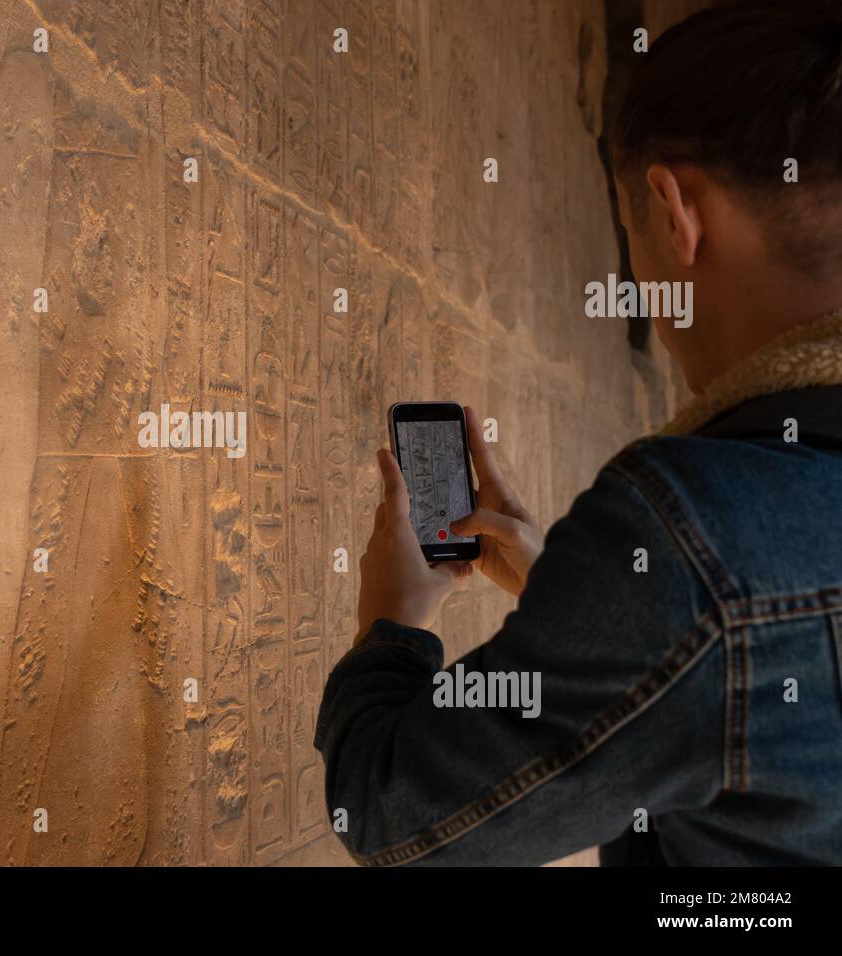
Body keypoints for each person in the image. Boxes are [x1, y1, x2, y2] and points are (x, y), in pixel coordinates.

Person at [315, 0, 842, 865]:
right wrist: (574, 596)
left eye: (627, 233)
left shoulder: (693, 537)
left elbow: (386, 812)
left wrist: (394, 623)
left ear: (672, 213)